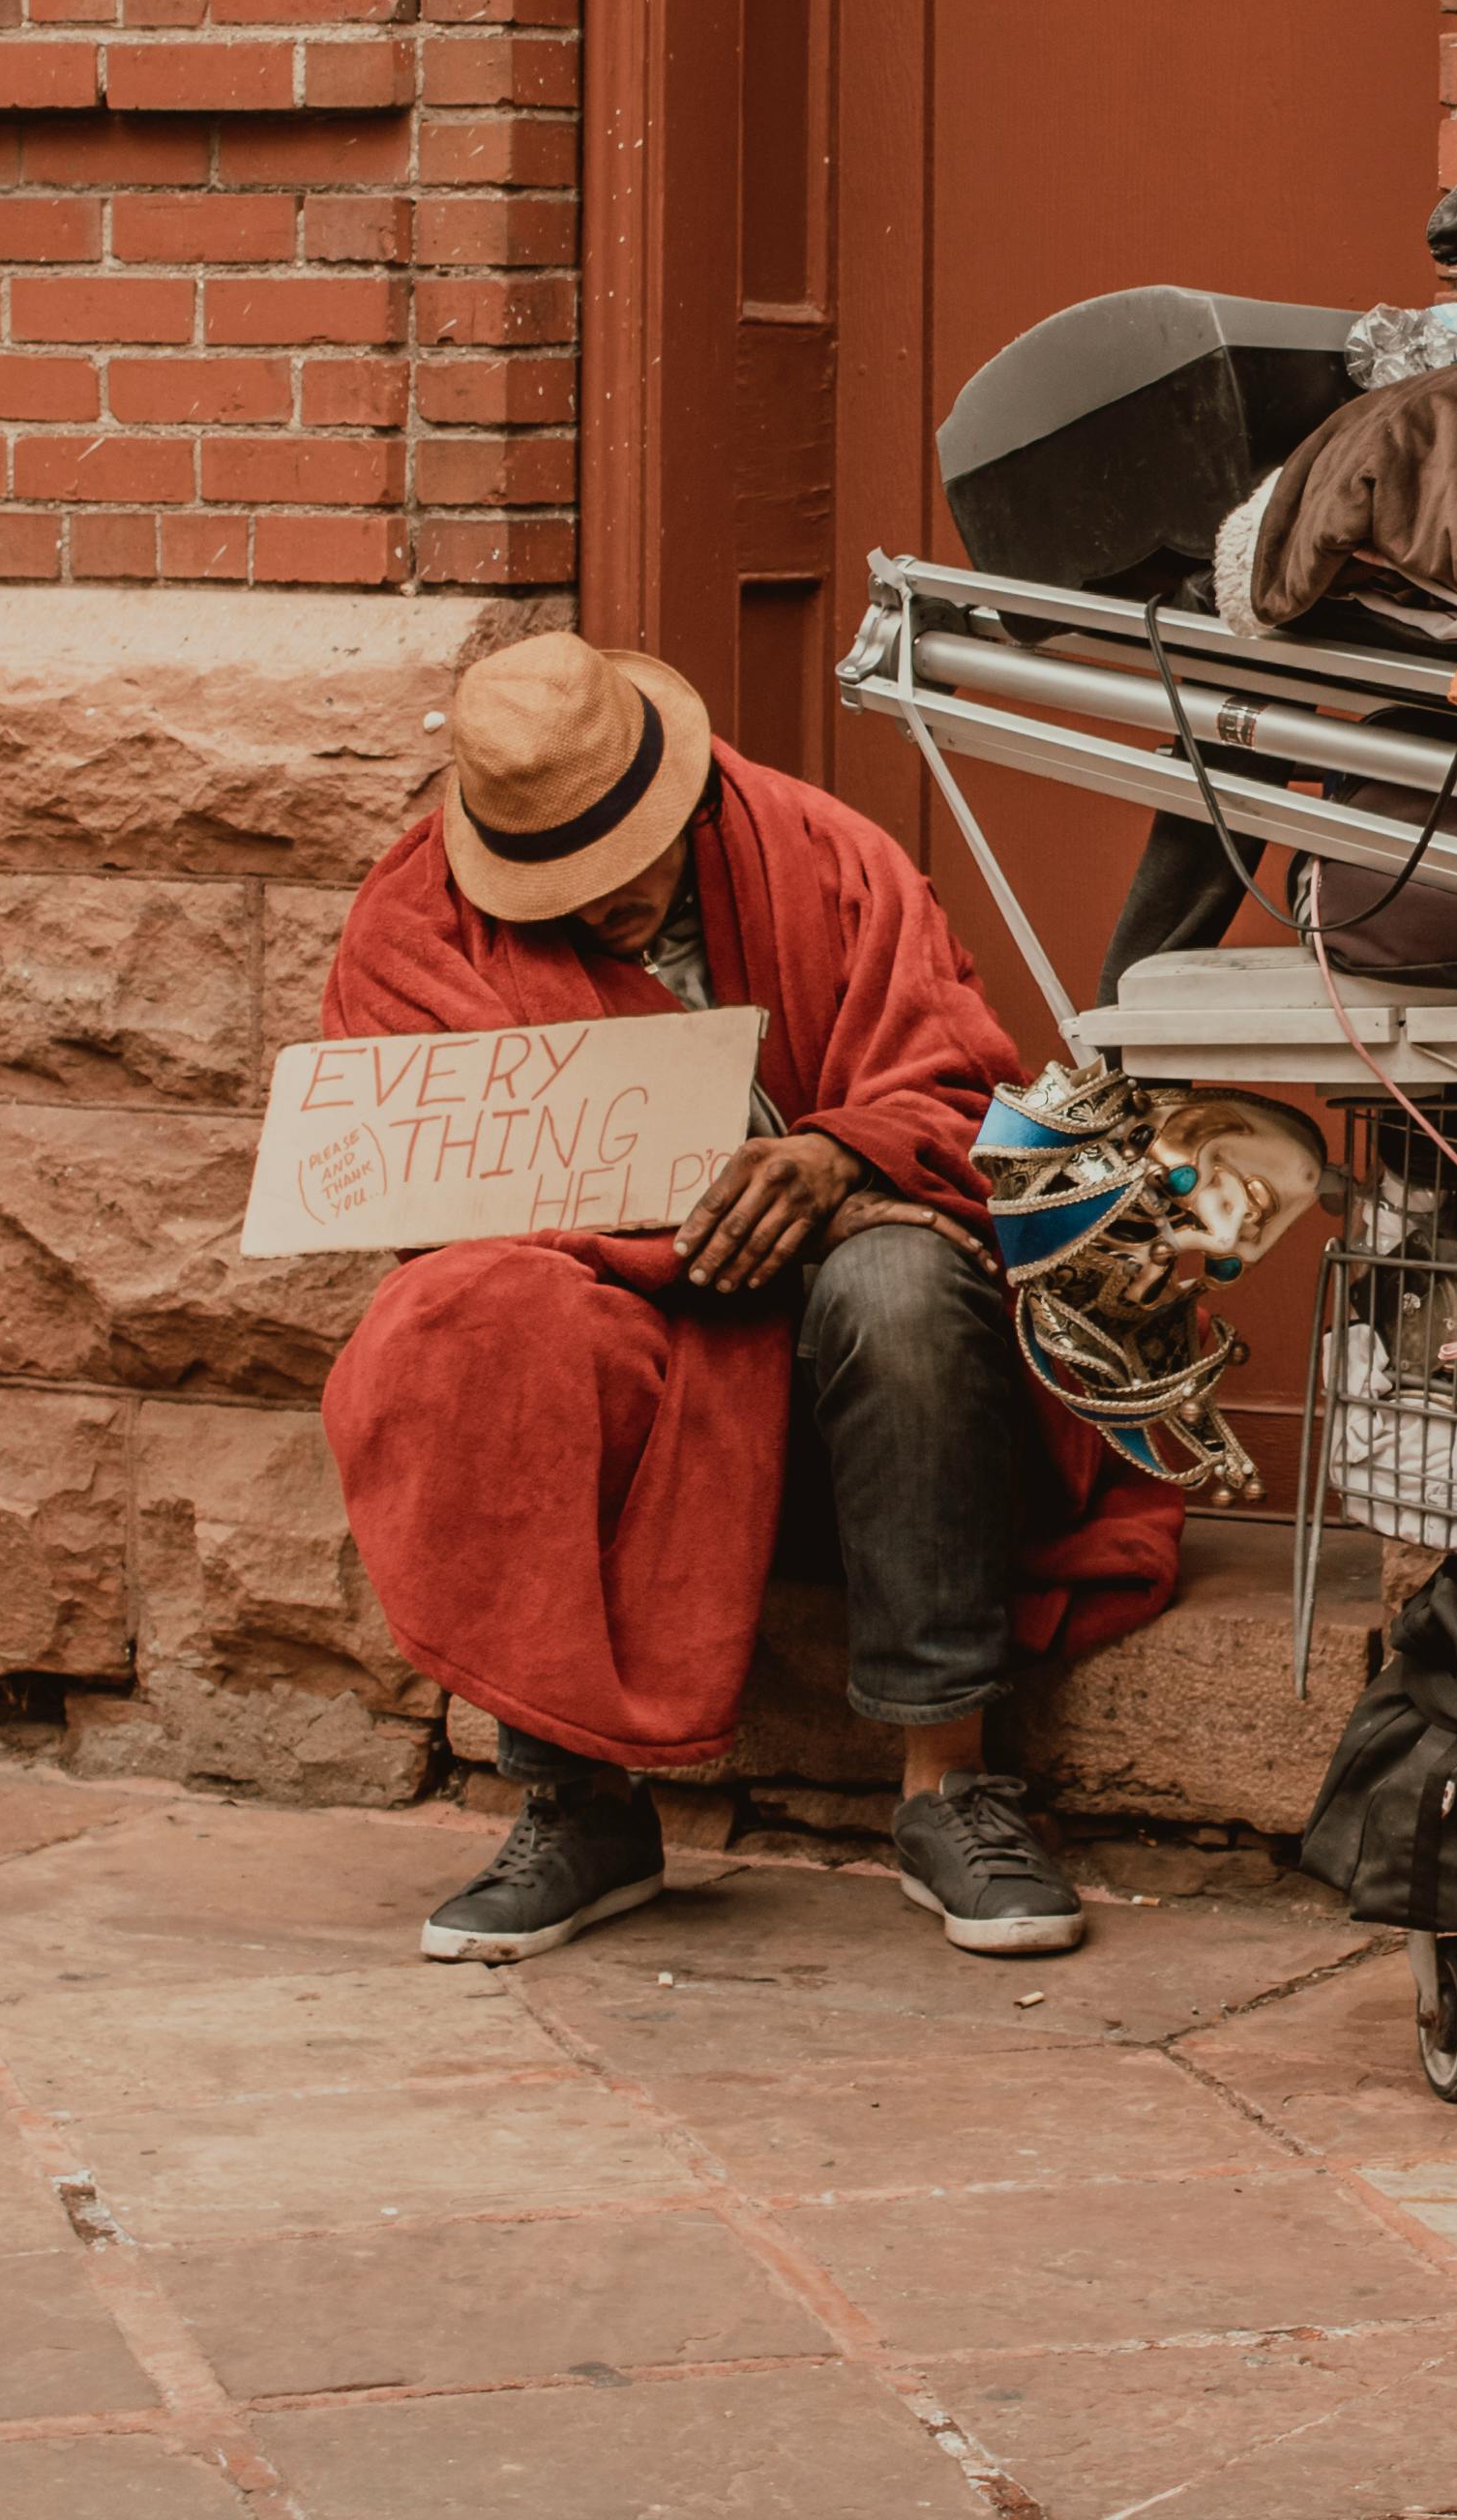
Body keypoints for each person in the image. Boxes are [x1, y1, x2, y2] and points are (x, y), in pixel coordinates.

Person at [315, 632, 1186, 1966]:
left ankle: (950, 1784)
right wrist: (712, 1237)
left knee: (903, 1278)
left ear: (683, 801)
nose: (602, 902)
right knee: (479, 1314)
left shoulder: (826, 856)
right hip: (621, 1363)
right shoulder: (414, 925)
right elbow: (436, 1201)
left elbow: (964, 1099)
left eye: (626, 865)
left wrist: (839, 1160)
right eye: (558, 883)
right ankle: (577, 1802)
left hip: (863, 1403)